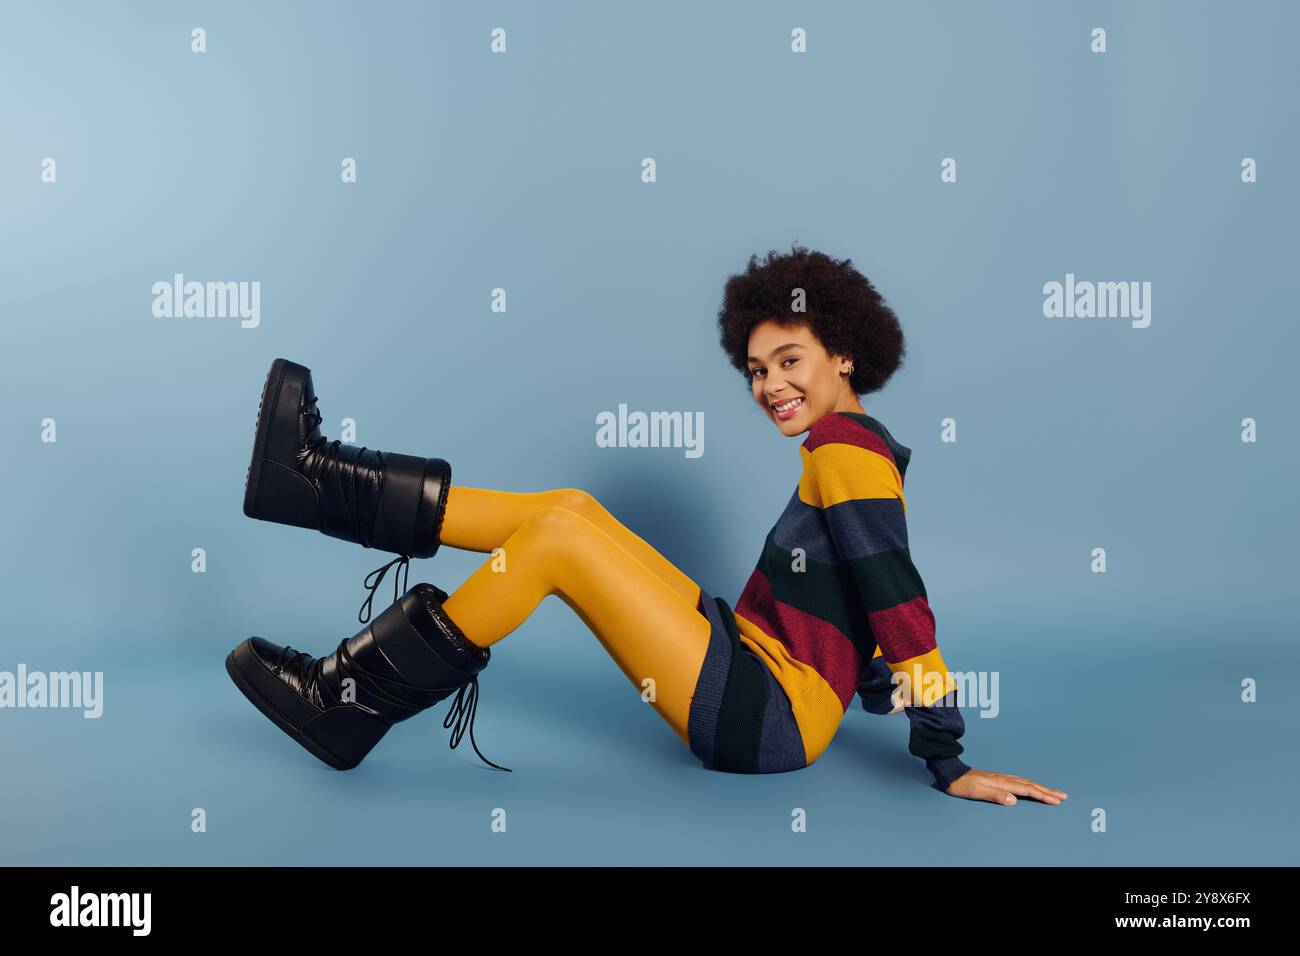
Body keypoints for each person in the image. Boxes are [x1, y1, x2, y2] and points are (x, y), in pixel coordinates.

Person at [226, 243, 1067, 807]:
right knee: (573, 511)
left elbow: (896, 602)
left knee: (557, 540)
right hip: (751, 658)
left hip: (766, 717)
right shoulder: (853, 448)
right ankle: (315, 487)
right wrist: (869, 682)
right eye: (756, 368)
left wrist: (944, 756)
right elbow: (860, 598)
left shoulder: (847, 453)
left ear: (843, 353)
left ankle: (350, 695)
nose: (770, 385)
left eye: (791, 360)